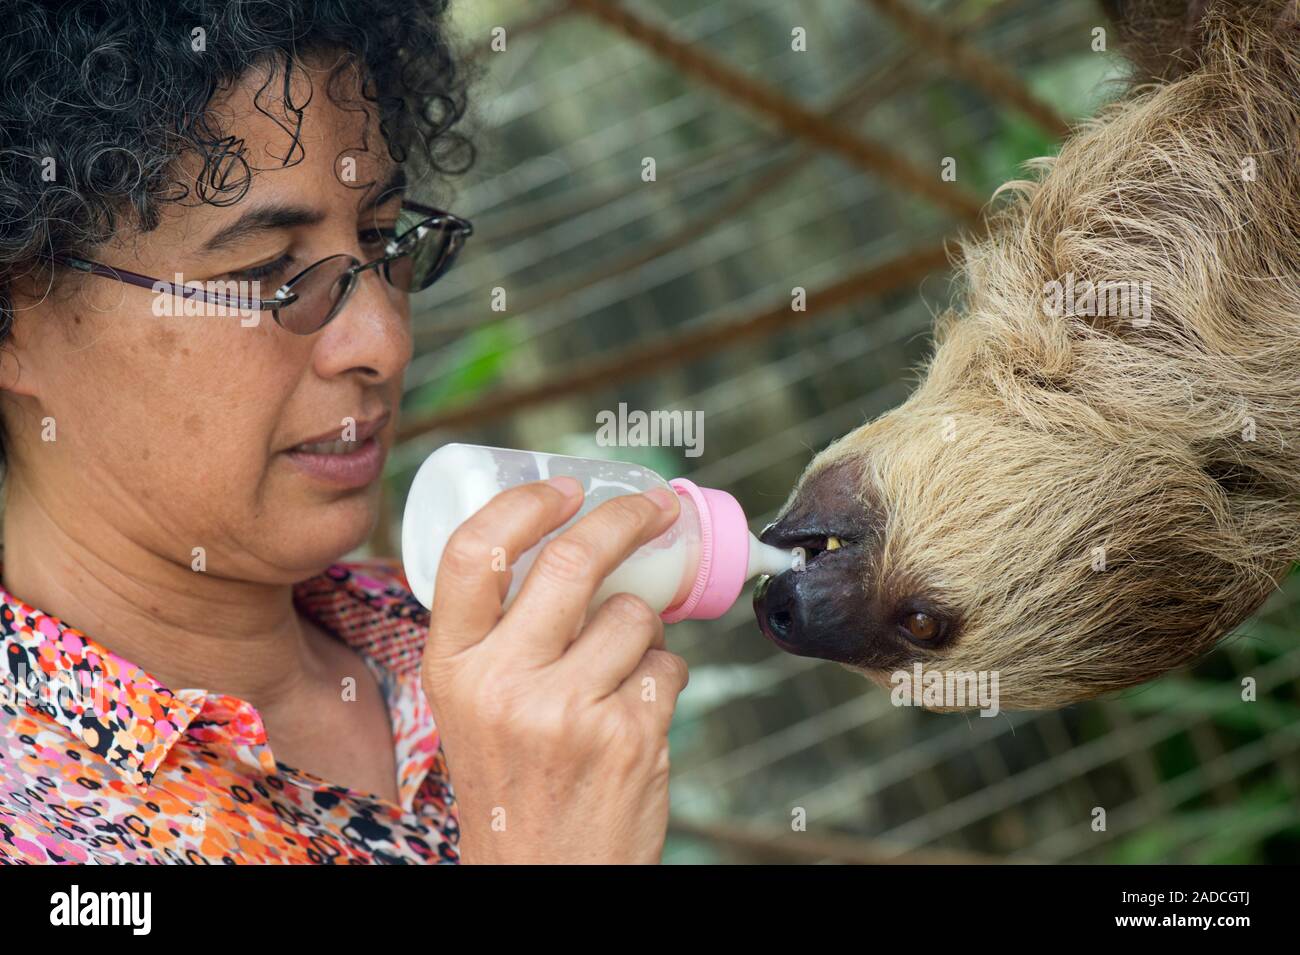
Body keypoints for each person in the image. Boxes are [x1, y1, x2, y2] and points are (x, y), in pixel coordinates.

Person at [0, 0, 688, 865]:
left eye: (379, 239)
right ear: (16, 317)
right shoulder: (41, 824)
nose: (384, 341)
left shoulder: (462, 650)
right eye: (266, 274)